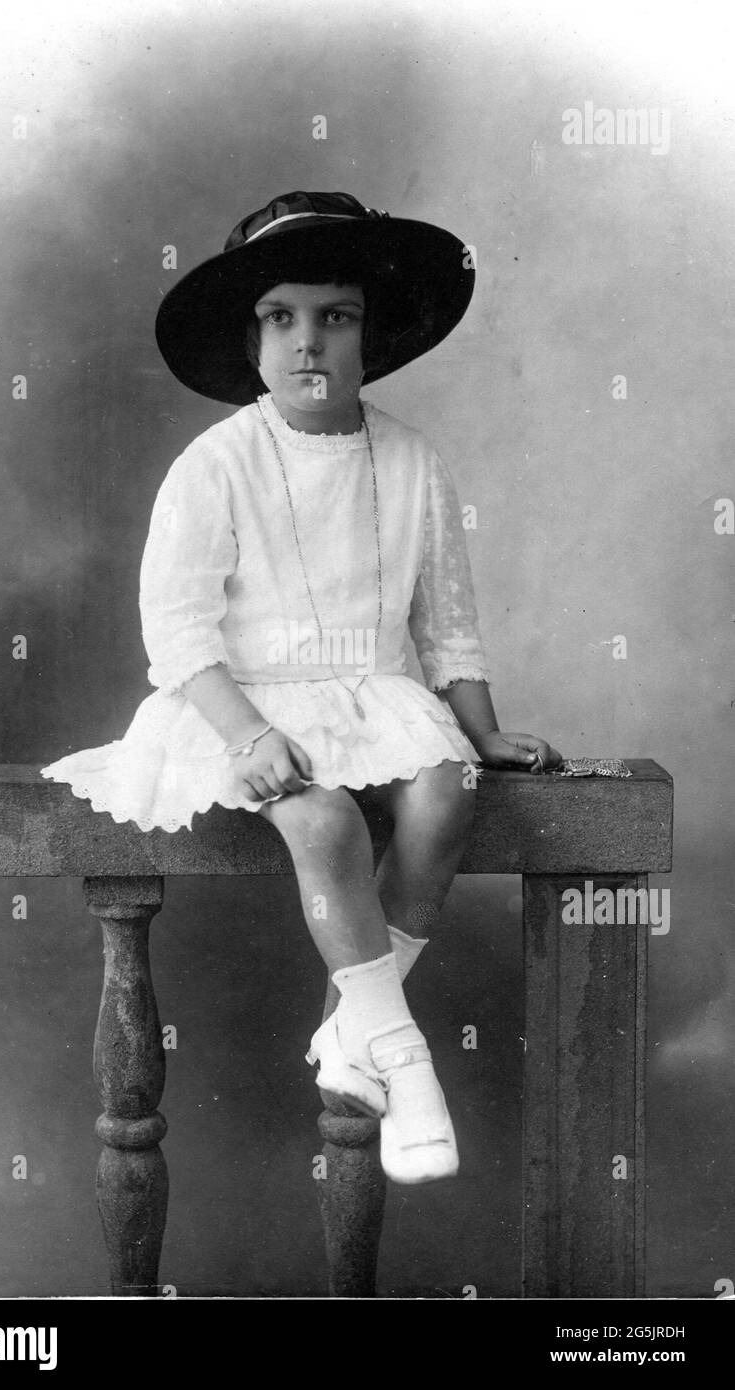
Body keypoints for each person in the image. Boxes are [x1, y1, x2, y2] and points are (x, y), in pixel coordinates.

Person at [42, 190, 562, 1185]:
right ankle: (403, 1060)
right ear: (251, 339)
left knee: (449, 790)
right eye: (282, 318)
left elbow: (445, 625)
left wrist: (482, 733)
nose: (309, 342)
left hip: (373, 695)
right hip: (242, 703)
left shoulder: (411, 461)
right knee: (321, 825)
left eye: (336, 316)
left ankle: (351, 1029)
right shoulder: (217, 464)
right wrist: (244, 734)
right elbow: (180, 632)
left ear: (374, 334)